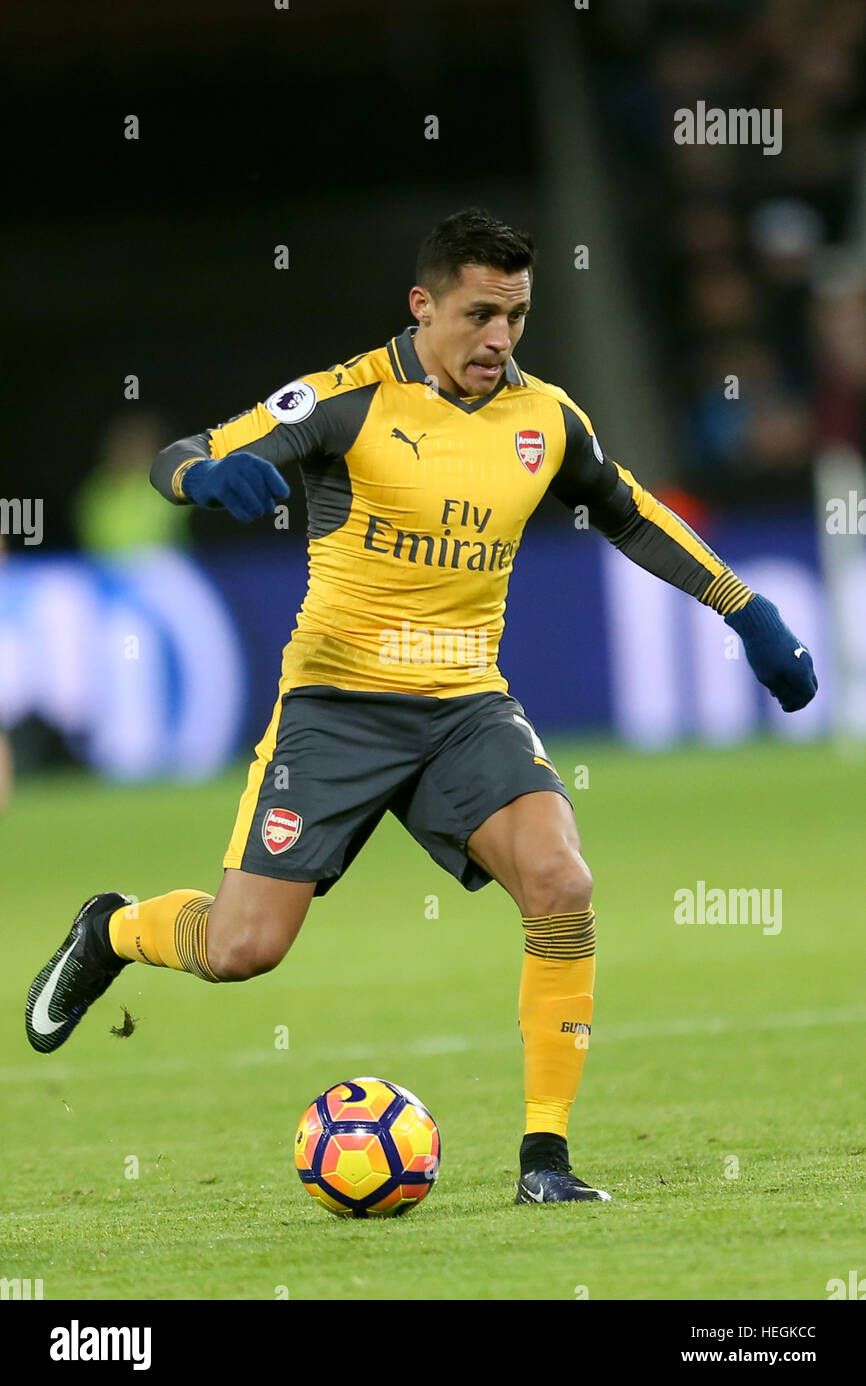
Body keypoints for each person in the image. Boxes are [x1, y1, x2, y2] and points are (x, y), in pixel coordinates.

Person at [25, 209, 817, 1205]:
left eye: (517, 316)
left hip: (463, 708)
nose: (499, 338)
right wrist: (208, 476)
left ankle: (544, 1162)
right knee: (241, 950)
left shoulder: (546, 419)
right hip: (334, 708)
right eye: (480, 314)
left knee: (559, 883)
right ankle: (112, 931)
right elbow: (181, 452)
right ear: (423, 305)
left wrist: (743, 609)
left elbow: (625, 509)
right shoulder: (345, 399)